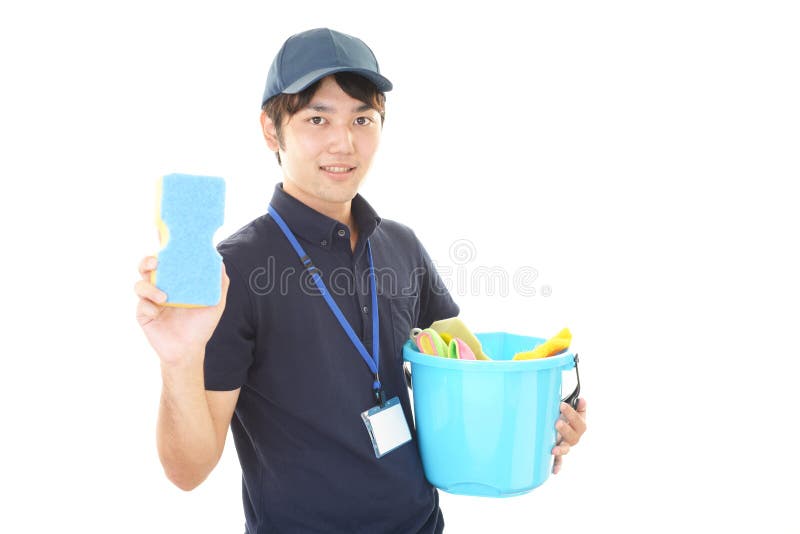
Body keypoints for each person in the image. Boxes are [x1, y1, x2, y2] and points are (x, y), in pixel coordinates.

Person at [134, 27, 587, 533]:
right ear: (270, 130)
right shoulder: (232, 272)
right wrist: (178, 362)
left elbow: (470, 378)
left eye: (362, 118)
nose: (343, 142)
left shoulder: (402, 245)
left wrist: (537, 423)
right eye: (316, 118)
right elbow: (187, 471)